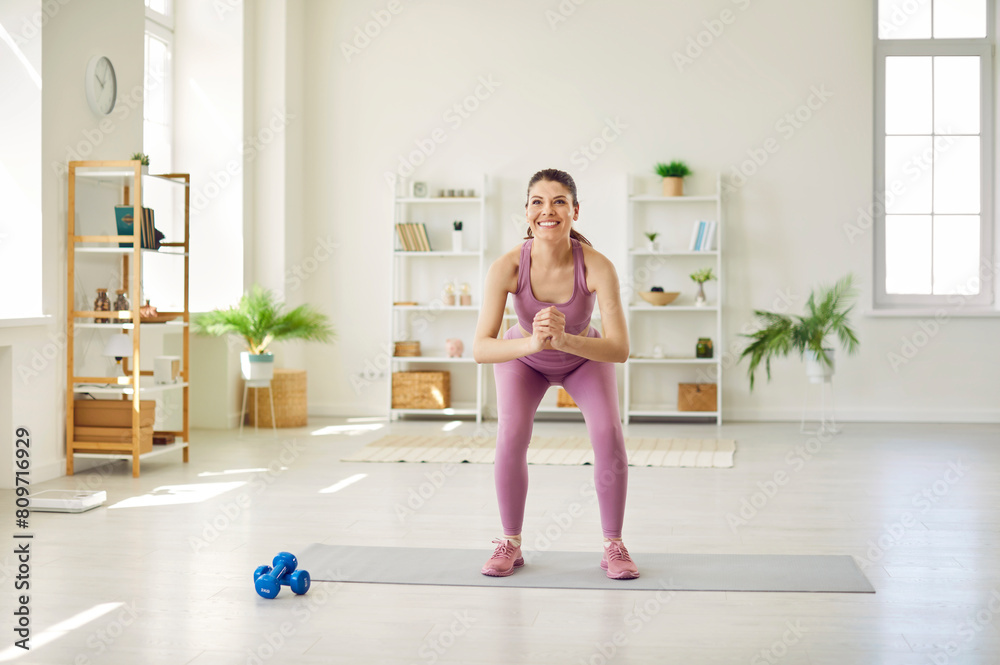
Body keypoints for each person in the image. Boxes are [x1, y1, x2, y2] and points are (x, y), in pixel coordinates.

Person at [473, 168, 638, 580]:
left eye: (559, 201)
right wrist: (532, 343)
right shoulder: (507, 267)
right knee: (511, 434)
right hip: (524, 359)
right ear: (526, 213)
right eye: (538, 202)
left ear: (575, 211)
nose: (548, 211)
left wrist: (565, 342)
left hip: (583, 356)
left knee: (608, 433)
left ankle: (613, 545)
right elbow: (481, 347)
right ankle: (510, 542)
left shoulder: (598, 267)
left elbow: (619, 349)